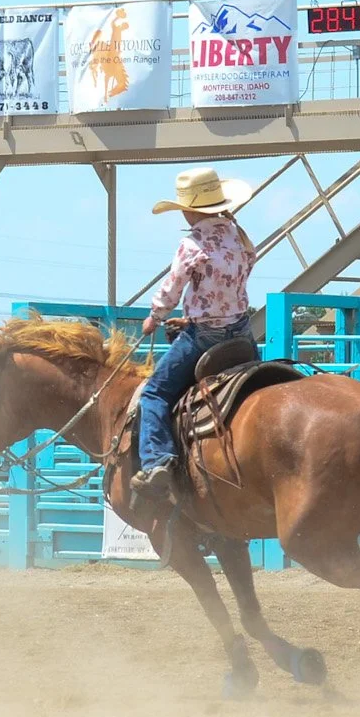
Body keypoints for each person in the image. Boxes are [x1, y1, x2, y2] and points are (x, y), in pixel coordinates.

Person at [132, 168, 258, 505]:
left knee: (155, 393)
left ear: (189, 210)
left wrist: (154, 317)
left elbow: (172, 289)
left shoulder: (192, 244)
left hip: (204, 336)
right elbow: (242, 274)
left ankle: (157, 461)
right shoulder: (238, 235)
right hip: (241, 332)